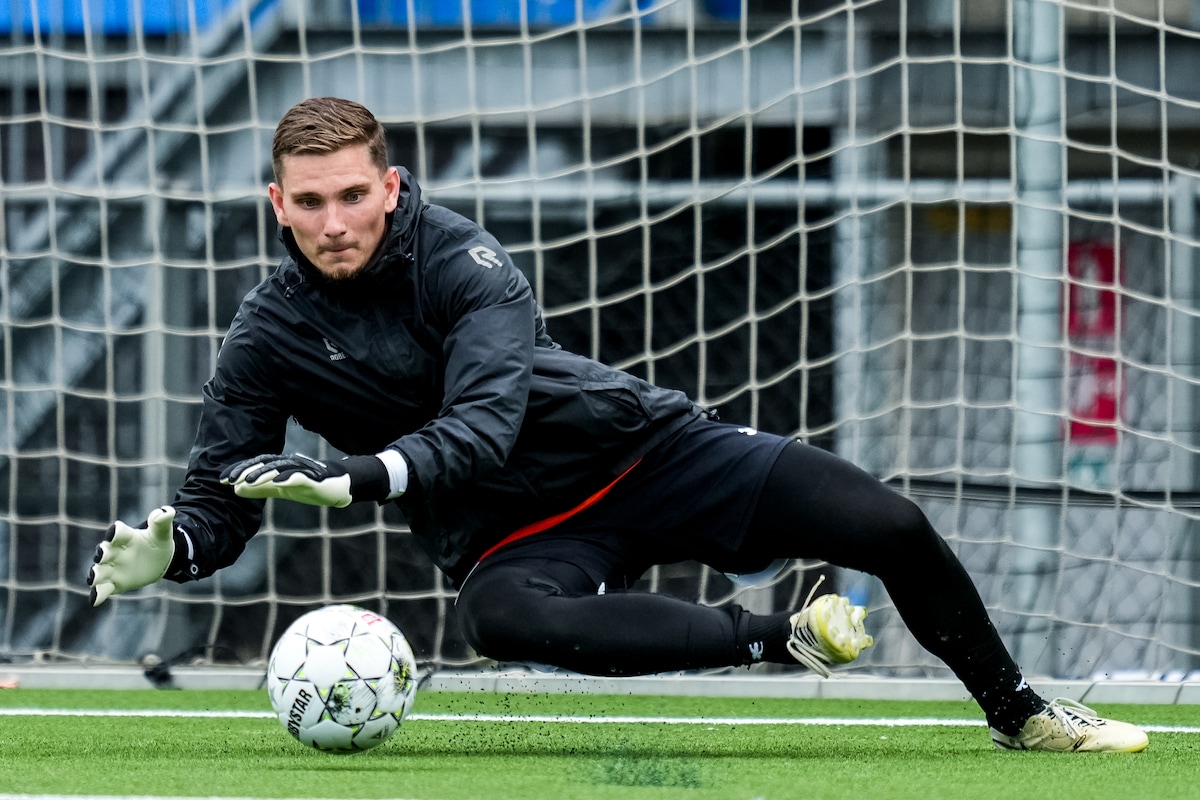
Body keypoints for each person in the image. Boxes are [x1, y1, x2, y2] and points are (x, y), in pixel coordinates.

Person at [89, 96, 1147, 753]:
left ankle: (1023, 710)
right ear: (278, 204)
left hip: (641, 454)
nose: (334, 222)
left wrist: (361, 477)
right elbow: (220, 487)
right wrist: (175, 547)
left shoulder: (467, 262)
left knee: (891, 523)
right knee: (496, 621)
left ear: (391, 186)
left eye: (352, 195)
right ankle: (779, 635)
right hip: (514, 534)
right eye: (309, 202)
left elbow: (486, 422)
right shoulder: (266, 330)